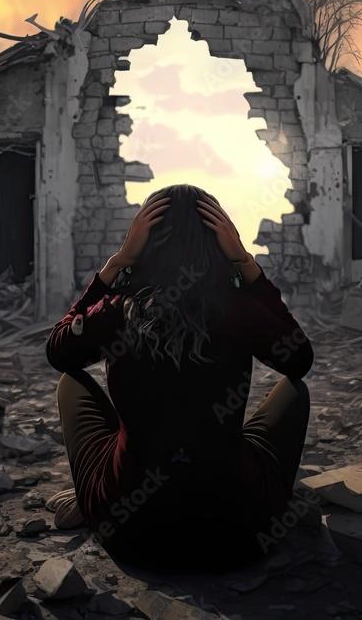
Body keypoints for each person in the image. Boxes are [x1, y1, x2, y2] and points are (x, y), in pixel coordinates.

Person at [46, 183, 313, 571]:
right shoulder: (238, 309)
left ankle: (94, 497)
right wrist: (245, 263)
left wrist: (116, 263)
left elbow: (59, 352)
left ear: (145, 242)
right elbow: (299, 358)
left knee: (71, 380)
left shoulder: (119, 309)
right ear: (219, 243)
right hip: (239, 534)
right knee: (294, 390)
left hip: (129, 533)